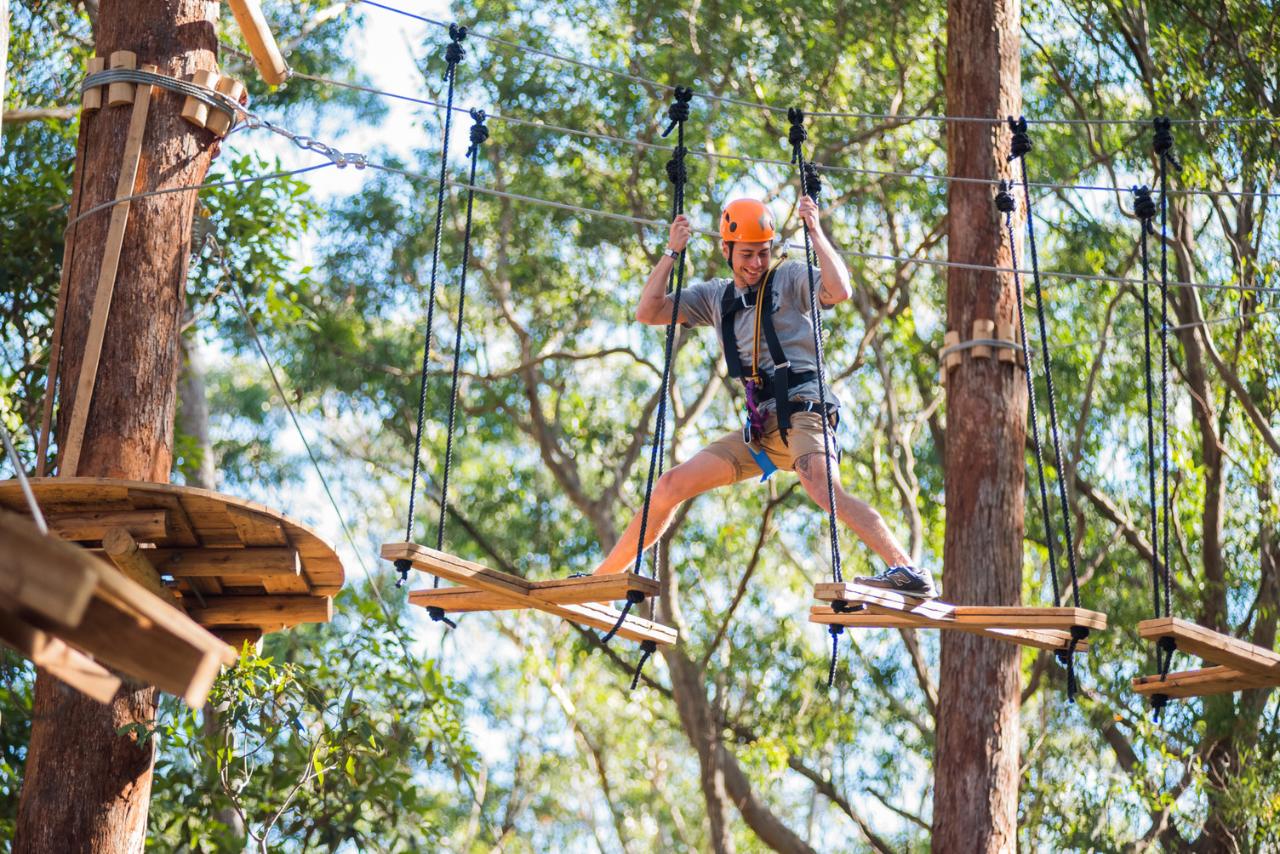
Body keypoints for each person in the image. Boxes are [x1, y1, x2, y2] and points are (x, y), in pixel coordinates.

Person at [591, 196, 935, 598]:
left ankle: (907, 570)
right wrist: (672, 252)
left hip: (804, 410)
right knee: (669, 486)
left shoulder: (788, 279)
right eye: (747, 255)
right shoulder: (715, 298)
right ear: (726, 250)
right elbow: (648, 312)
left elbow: (839, 289)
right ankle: (602, 578)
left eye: (763, 253)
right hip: (761, 432)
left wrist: (816, 231)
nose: (756, 263)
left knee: (824, 490)